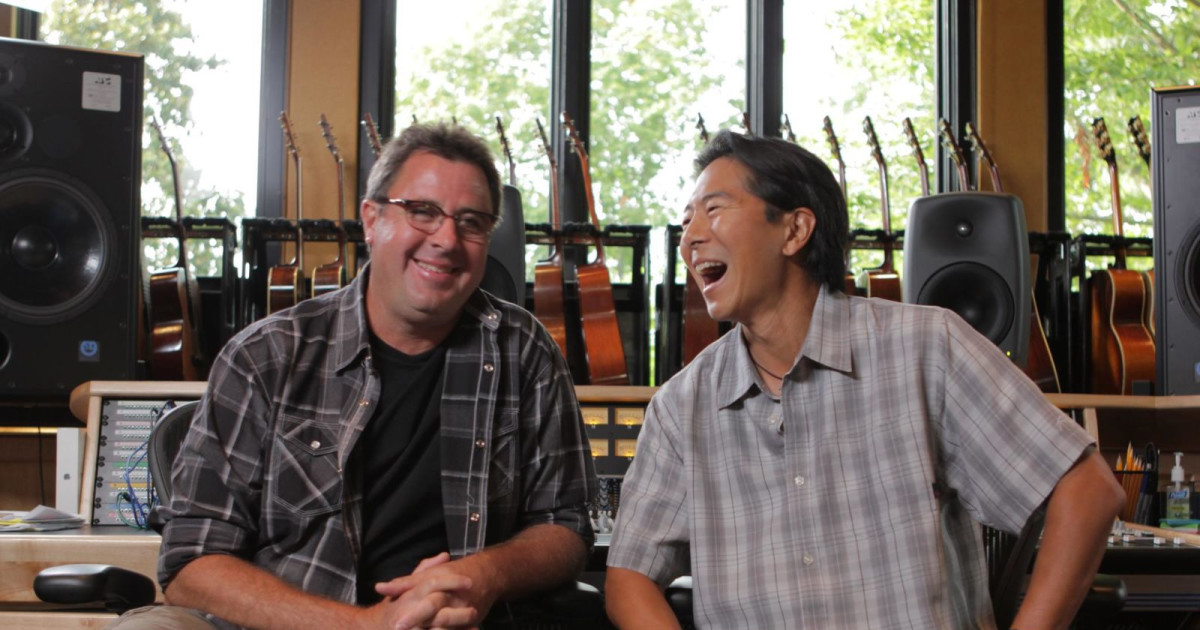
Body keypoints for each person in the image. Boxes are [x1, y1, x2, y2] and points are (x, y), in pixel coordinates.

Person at [605, 130, 1124, 630]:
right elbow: (629, 574)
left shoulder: (927, 348)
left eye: (714, 210)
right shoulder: (680, 405)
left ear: (794, 230)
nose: (691, 236)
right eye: (687, 218)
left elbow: (1087, 491)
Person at [112, 122, 598, 630]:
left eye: (471, 222)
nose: (447, 239)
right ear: (372, 219)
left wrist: (484, 574)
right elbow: (191, 563)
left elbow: (565, 527)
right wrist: (363, 625)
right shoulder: (265, 356)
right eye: (423, 212)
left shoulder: (523, 349)